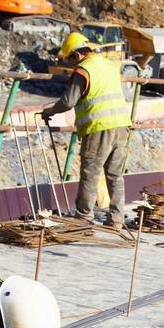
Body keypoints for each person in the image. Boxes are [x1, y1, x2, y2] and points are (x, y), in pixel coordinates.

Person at [41, 32, 132, 228]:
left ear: (76, 55)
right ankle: (116, 219)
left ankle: (83, 218)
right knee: (115, 175)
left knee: (90, 174)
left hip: (99, 128)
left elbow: (68, 101)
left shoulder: (83, 69)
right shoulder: (109, 65)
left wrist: (49, 111)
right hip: (122, 124)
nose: (72, 65)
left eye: (71, 60)